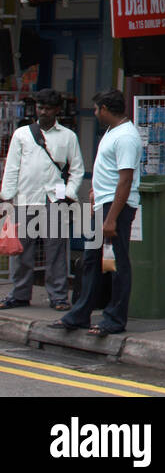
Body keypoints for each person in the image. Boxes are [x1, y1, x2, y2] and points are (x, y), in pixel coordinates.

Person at [54, 89, 142, 336]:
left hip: (117, 208)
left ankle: (114, 319)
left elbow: (125, 181)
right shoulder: (112, 132)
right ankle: (80, 314)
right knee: (92, 260)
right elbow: (109, 171)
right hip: (104, 203)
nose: (94, 113)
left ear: (104, 109)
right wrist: (96, 195)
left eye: (95, 109)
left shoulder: (126, 137)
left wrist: (111, 218)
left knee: (117, 263)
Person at [0, 90, 85, 312]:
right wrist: (6, 198)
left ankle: (58, 296)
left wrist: (69, 192)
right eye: (40, 108)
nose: (43, 112)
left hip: (54, 199)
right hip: (25, 197)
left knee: (56, 250)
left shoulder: (68, 136)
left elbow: (77, 169)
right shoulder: (22, 134)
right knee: (21, 250)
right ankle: (19, 294)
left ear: (57, 110)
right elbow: (12, 167)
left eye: (48, 108)